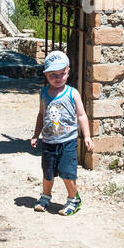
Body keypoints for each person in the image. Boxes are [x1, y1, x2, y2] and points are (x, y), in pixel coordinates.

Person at [29, 49, 93, 216]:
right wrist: (36, 134)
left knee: (67, 173)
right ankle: (45, 196)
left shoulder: (72, 93)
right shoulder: (43, 93)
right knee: (48, 173)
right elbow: (41, 115)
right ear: (46, 75)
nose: (57, 78)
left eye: (61, 74)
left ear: (68, 71)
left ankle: (74, 199)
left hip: (68, 141)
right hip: (49, 141)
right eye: (52, 75)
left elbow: (81, 115)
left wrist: (86, 136)